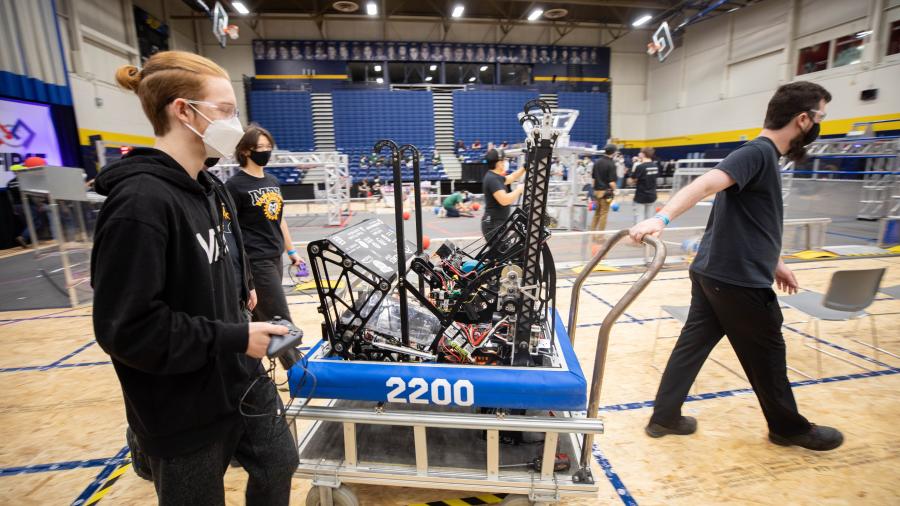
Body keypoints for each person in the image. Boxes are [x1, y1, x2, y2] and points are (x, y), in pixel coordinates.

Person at [91, 51, 298, 504]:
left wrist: (245, 292)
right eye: (225, 111)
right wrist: (233, 336)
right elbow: (127, 329)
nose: (237, 125)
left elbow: (230, 256)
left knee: (281, 460)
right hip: (181, 401)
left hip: (241, 378)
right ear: (183, 110)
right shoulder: (139, 204)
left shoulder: (212, 188)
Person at [629, 81, 843, 451]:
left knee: (691, 346)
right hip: (737, 281)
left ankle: (664, 416)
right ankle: (788, 429)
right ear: (804, 119)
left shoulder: (764, 159)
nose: (820, 123)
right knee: (768, 356)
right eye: (821, 115)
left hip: (714, 272)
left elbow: (755, 221)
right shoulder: (758, 153)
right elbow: (706, 183)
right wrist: (660, 220)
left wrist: (775, 262)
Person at [227, 125, 302, 323]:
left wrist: (292, 252)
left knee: (260, 318)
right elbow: (229, 229)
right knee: (280, 319)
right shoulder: (235, 186)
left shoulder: (273, 181)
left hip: (275, 256)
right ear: (245, 150)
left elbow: (279, 218)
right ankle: (293, 355)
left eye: (268, 146)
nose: (266, 151)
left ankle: (252, 354)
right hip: (255, 261)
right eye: (260, 147)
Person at [481, 149, 526, 238]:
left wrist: (524, 167)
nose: (505, 162)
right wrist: (519, 190)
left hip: (497, 223)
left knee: (505, 251)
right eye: (503, 160)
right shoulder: (492, 179)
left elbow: (512, 177)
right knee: (504, 251)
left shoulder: (495, 177)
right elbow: (504, 200)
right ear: (498, 163)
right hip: (493, 225)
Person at [590, 145, 618, 242]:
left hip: (596, 191)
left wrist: (593, 192)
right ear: (613, 152)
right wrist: (616, 190)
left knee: (596, 214)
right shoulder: (611, 164)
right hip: (606, 193)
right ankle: (600, 236)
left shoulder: (597, 162)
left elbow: (593, 179)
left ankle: (592, 235)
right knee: (604, 214)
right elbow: (611, 182)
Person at [627, 147, 659, 225]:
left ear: (643, 154)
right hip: (652, 196)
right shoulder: (655, 166)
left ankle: (638, 236)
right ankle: (648, 236)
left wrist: (633, 168)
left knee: (639, 219)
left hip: (641, 197)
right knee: (650, 220)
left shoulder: (640, 167)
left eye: (640, 152)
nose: (639, 154)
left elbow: (630, 182)